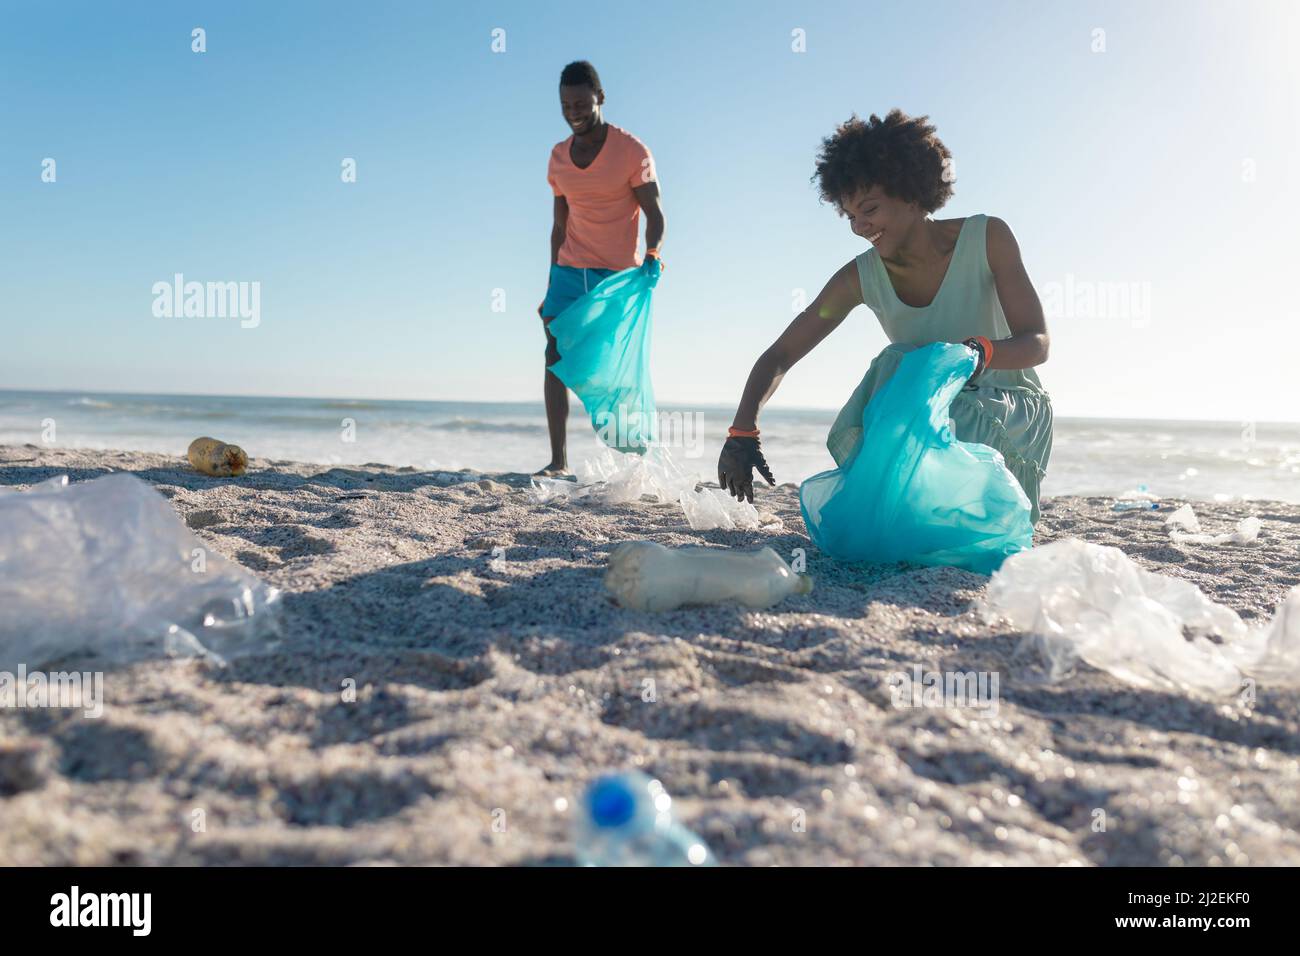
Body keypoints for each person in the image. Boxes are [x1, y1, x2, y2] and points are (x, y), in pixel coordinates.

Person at [717, 109, 1053, 524]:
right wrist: (742, 432)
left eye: (870, 209)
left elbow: (1037, 343)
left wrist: (973, 354)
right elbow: (781, 353)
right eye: (850, 216)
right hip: (921, 411)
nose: (860, 226)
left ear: (911, 192)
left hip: (1006, 410)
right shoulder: (859, 278)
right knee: (899, 368)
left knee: (904, 366)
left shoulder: (988, 238)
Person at [537, 60, 666, 476]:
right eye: (565, 105)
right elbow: (559, 226)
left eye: (580, 103)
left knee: (610, 366)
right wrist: (549, 281)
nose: (573, 111)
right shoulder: (558, 158)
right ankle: (558, 461)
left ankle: (631, 458)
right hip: (569, 270)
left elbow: (655, 214)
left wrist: (652, 253)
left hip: (615, 276)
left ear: (600, 98)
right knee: (553, 353)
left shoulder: (631, 152)